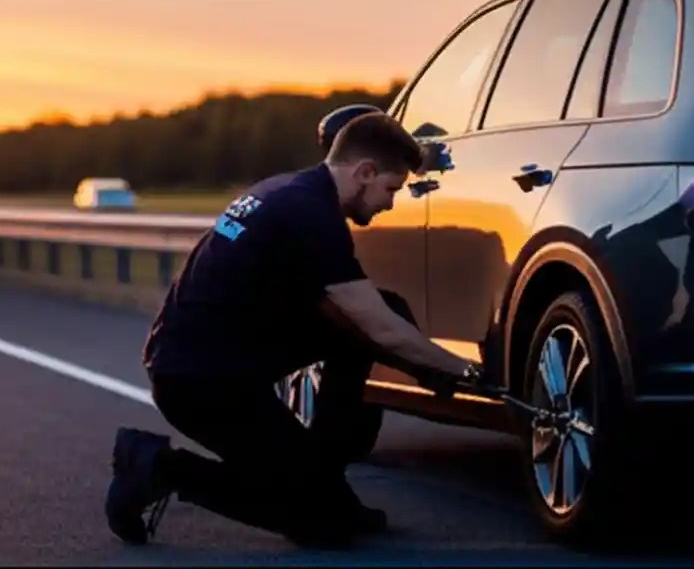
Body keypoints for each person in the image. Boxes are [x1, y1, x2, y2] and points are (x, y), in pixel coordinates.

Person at [104, 111, 484, 549]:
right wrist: (464, 371)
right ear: (364, 172)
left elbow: (356, 315)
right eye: (390, 189)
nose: (389, 204)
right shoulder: (309, 215)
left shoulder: (289, 190)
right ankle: (155, 467)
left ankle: (326, 480)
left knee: (380, 312)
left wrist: (427, 369)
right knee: (319, 522)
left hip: (226, 360)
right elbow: (380, 328)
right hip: (200, 384)